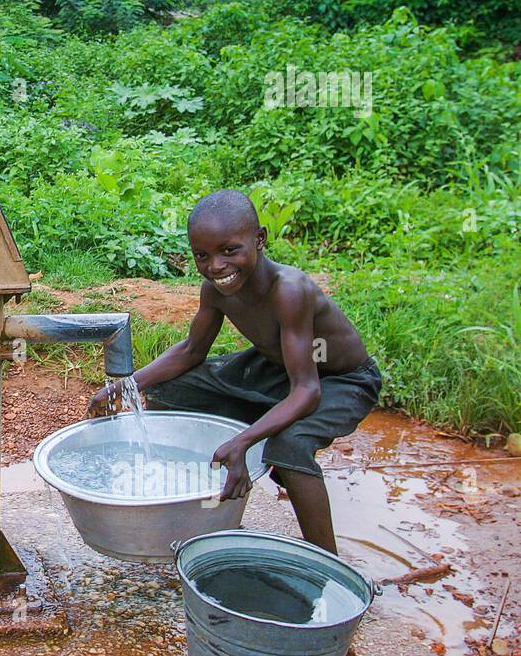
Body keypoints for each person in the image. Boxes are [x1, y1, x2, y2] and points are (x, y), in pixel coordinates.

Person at [89, 190, 381, 552]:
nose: (216, 266)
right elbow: (192, 350)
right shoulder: (215, 290)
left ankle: (328, 566)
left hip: (339, 379)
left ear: (259, 239)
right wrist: (126, 386)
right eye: (202, 256)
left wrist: (243, 441)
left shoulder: (289, 290)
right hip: (274, 367)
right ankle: (190, 506)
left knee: (288, 447)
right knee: (172, 389)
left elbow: (306, 390)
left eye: (230, 251)